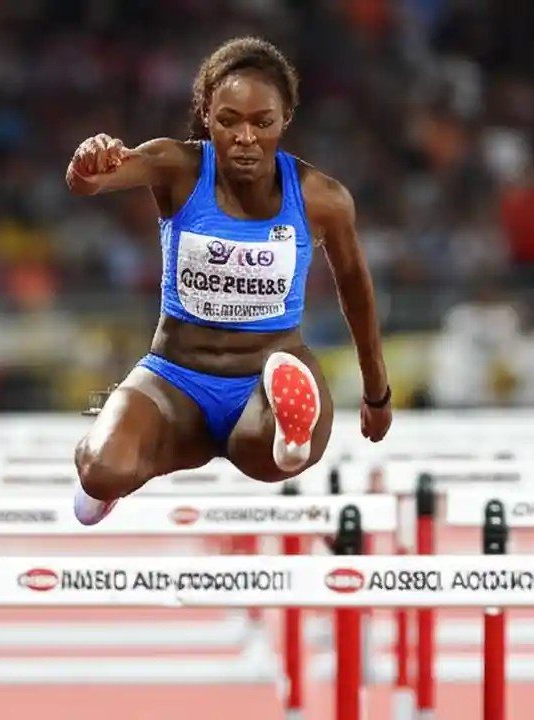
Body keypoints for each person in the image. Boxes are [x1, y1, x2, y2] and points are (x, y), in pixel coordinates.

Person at [65, 37, 392, 526]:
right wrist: (89, 163)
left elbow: (357, 294)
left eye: (262, 123)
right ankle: (116, 471)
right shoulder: (177, 166)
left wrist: (376, 393)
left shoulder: (322, 199)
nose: (245, 137)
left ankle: (286, 434)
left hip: (263, 378)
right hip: (174, 378)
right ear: (205, 114)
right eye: (228, 121)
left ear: (285, 120)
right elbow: (92, 181)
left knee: (268, 452)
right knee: (100, 470)